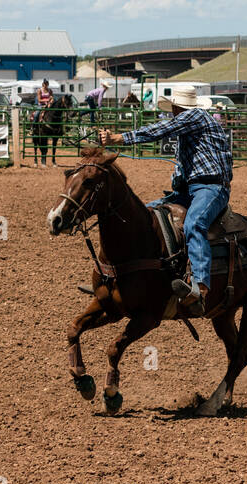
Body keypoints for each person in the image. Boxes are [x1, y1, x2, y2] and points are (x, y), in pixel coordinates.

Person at [98, 88, 232, 317]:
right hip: (188, 190)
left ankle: (200, 287)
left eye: (173, 108)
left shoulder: (196, 116)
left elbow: (160, 129)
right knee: (144, 214)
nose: (172, 112)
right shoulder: (190, 129)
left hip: (211, 188)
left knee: (194, 224)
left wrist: (120, 138)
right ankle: (133, 276)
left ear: (178, 107)